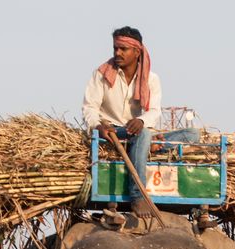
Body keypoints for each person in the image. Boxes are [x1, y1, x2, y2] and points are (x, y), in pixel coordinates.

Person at [82, 26, 197, 218]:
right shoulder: (101, 75)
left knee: (193, 134)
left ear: (137, 52)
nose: (117, 53)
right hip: (113, 132)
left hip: (140, 128)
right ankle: (138, 195)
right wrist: (98, 126)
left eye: (123, 49)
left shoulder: (151, 78)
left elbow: (154, 110)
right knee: (142, 135)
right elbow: (89, 107)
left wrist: (142, 121)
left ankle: (149, 145)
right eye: (115, 48)